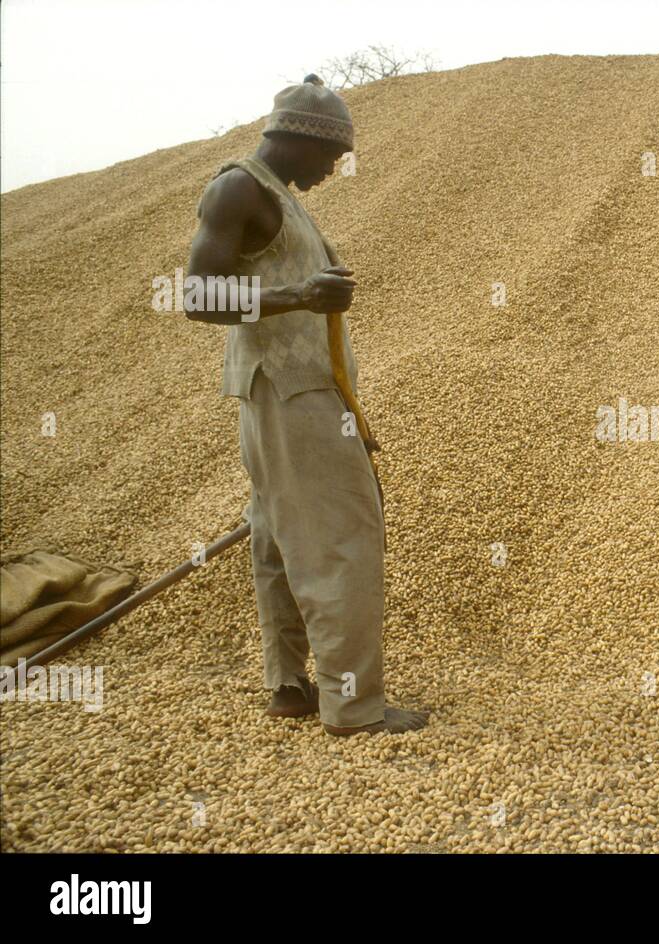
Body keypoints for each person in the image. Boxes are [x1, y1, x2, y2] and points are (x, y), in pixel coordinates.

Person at [185, 76, 426, 735]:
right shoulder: (240, 188)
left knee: (277, 538)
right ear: (304, 138)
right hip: (294, 399)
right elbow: (196, 297)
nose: (330, 171)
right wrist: (300, 296)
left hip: (288, 395)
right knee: (341, 542)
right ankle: (354, 709)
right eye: (330, 156)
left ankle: (290, 687)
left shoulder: (277, 198)